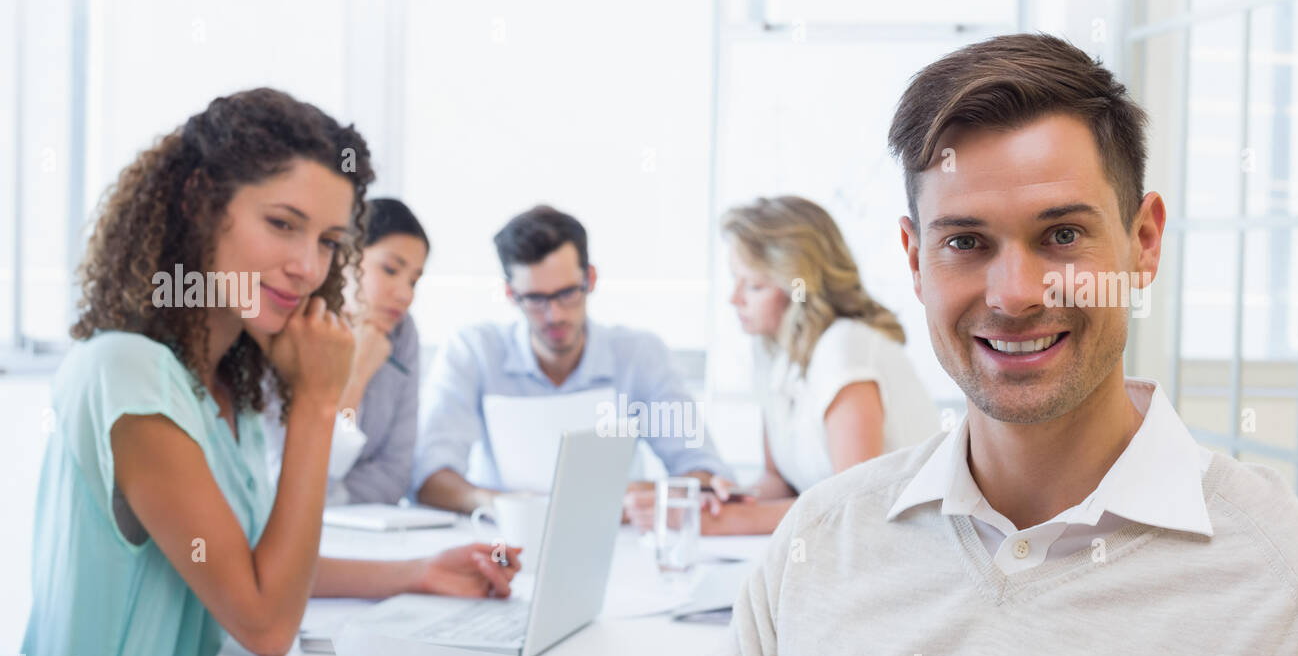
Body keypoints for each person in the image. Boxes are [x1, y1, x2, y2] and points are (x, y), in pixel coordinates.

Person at [323, 34, 1298, 656]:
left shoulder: (1277, 573)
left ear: (1143, 242)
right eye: (966, 241)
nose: (1012, 292)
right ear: (915, 261)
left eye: (1061, 236)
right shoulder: (821, 540)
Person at [0, 89, 518, 656]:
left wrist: (421, 572)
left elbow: (248, 565)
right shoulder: (129, 372)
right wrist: (316, 405)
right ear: (199, 205)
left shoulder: (221, 385)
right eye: (282, 224)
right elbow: (265, 620)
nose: (309, 268)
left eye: (330, 241)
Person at [412, 204, 733, 515]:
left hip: (618, 542)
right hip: (502, 541)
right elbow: (429, 478)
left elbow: (704, 471)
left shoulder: (640, 355)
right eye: (536, 299)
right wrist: (508, 507)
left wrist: (641, 495)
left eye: (568, 293)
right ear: (511, 294)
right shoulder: (474, 351)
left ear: (590, 279)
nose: (555, 315)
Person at [676, 195, 937, 536]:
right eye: (735, 280)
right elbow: (779, 482)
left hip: (912, 547)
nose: (734, 298)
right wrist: (731, 502)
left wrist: (725, 523)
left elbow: (853, 505)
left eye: (754, 285)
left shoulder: (845, 346)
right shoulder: (773, 355)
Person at [263, 198, 428, 505]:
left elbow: (396, 474)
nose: (406, 294)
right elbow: (279, 484)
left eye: (414, 280)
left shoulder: (402, 334)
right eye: (390, 270)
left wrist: (330, 495)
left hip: (360, 528)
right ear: (343, 259)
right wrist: (356, 374)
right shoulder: (292, 326)